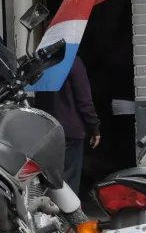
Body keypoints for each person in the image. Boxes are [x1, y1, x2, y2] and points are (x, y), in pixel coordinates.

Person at [34, 56, 100, 195]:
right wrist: (94, 127)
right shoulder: (73, 61)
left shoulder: (42, 63)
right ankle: (68, 215)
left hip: (46, 129)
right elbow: (84, 100)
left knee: (50, 179)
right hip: (70, 130)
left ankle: (51, 213)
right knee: (68, 181)